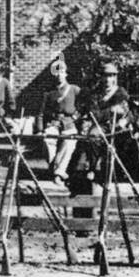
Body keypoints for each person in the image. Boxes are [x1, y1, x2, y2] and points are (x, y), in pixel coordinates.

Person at [39, 57, 82, 185]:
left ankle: (57, 173)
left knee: (69, 143)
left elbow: (85, 106)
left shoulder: (74, 89)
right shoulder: (49, 93)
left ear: (66, 73)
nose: (59, 75)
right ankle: (57, 169)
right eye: (56, 72)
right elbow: (40, 114)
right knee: (47, 139)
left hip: (69, 123)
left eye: (62, 72)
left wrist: (76, 117)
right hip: (54, 123)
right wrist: (40, 129)